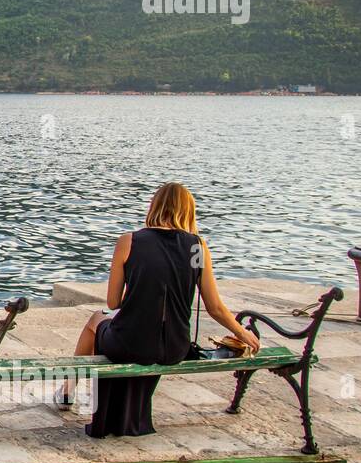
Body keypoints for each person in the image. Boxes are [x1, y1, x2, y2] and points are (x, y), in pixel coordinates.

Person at [59, 182, 261, 437]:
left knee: (95, 319)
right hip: (175, 347)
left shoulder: (128, 242)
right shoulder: (197, 247)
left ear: (154, 206)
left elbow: (112, 303)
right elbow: (215, 308)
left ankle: (67, 389)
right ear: (188, 211)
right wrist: (241, 333)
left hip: (130, 344)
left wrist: (140, 294)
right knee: (115, 323)